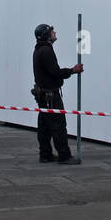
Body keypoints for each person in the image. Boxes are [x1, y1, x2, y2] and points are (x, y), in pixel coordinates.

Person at [32, 23, 83, 165]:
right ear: (46, 35)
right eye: (51, 31)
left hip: (43, 95)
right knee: (58, 125)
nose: (54, 32)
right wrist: (72, 70)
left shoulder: (39, 50)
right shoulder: (46, 51)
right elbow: (55, 72)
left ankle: (45, 154)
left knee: (44, 126)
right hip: (50, 96)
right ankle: (64, 155)